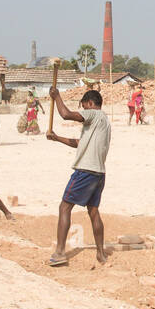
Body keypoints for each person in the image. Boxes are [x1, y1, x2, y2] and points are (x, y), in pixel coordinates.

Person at [44, 87, 112, 266]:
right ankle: (100, 253)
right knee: (93, 212)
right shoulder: (103, 122)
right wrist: (57, 138)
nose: (84, 111)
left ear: (90, 104)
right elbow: (80, 144)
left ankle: (59, 252)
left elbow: (66, 114)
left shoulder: (93, 114)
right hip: (99, 173)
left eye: (84, 107)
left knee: (65, 207)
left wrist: (57, 96)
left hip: (85, 171)